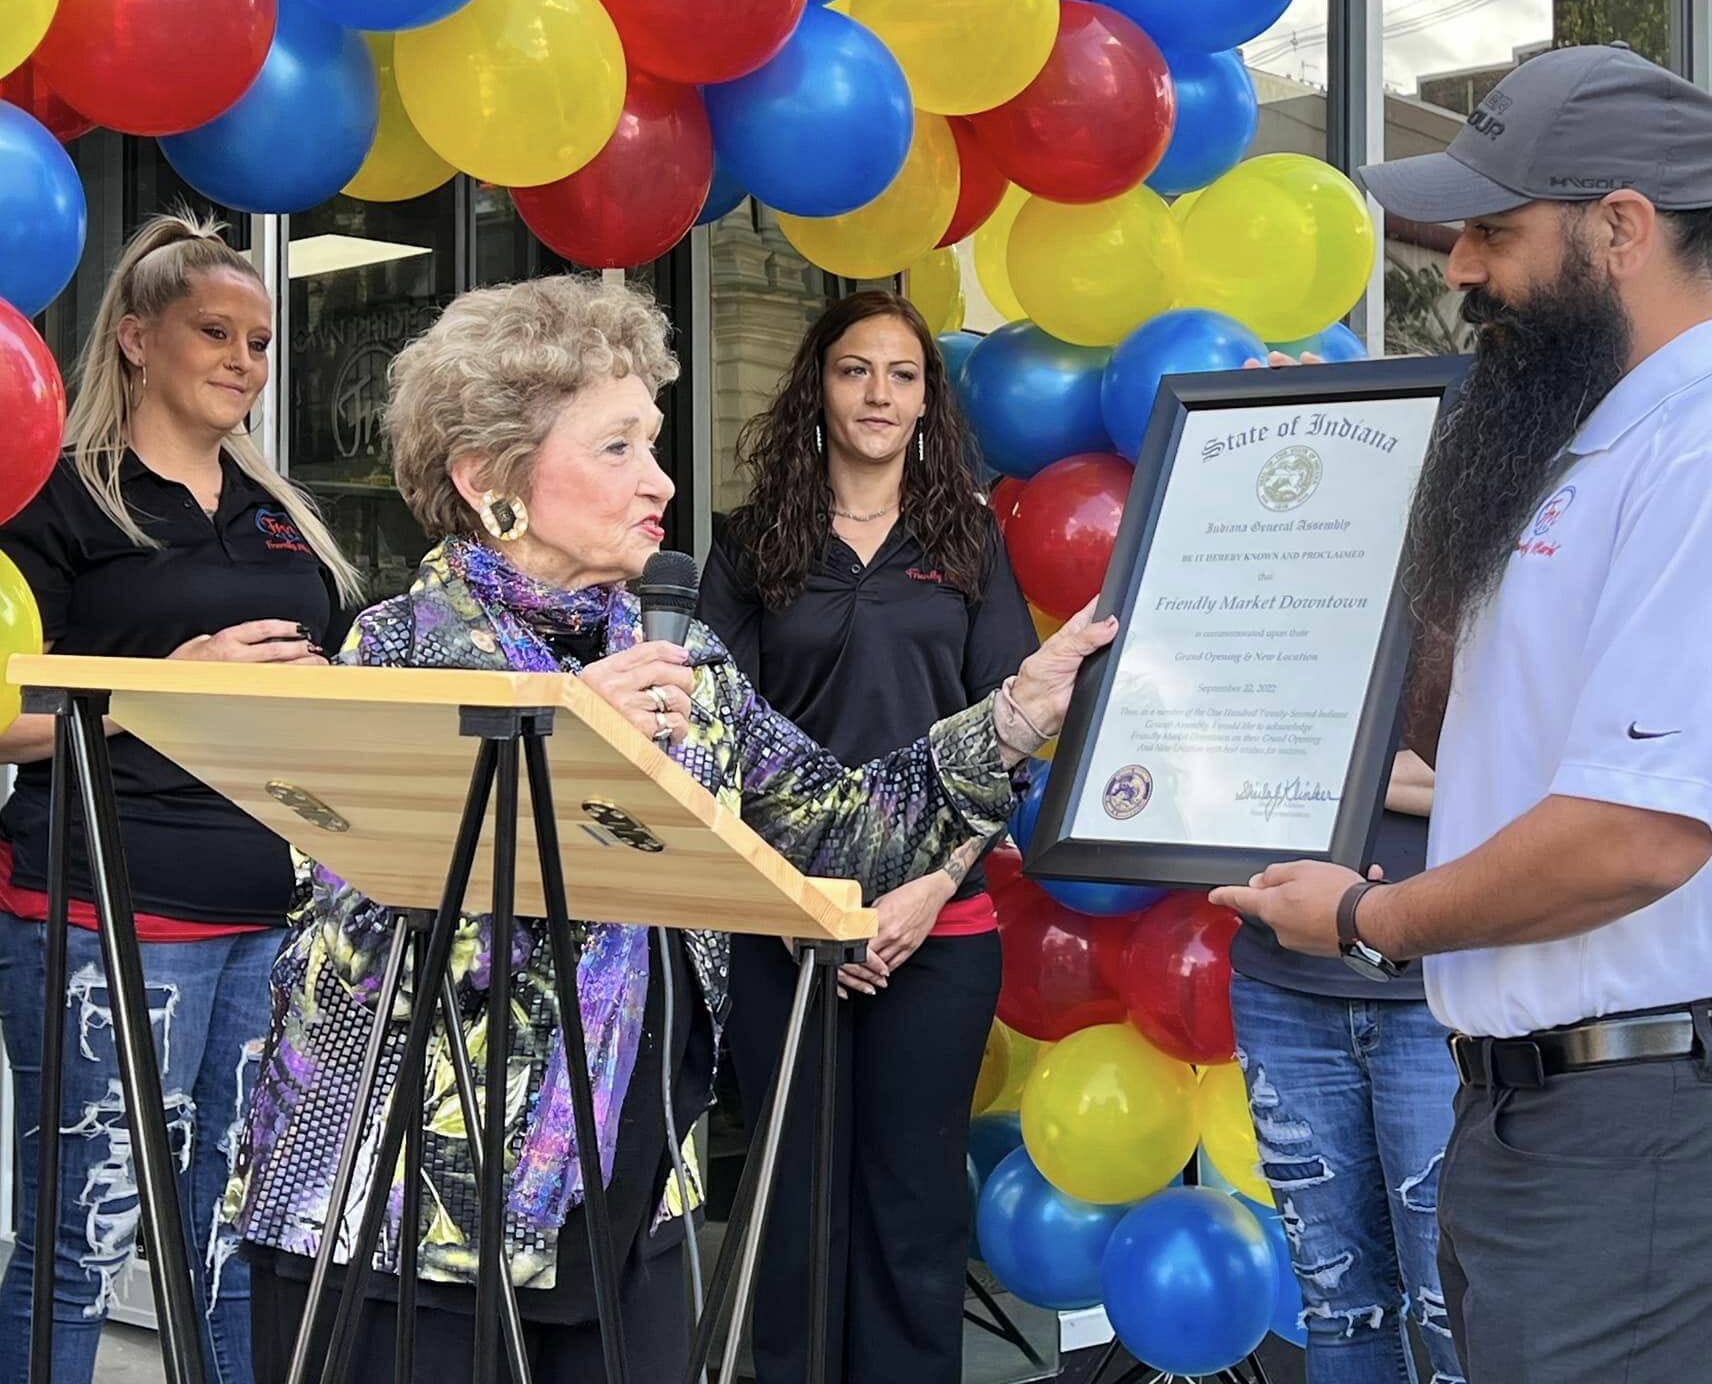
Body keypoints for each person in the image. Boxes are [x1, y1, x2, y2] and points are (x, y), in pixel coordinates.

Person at [228, 275, 1112, 1380]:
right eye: (617, 448)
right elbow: (360, 947)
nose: (661, 480)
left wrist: (1019, 712)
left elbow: (844, 830)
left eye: (653, 442)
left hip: (627, 1203)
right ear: (489, 479)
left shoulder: (682, 662)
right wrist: (555, 746)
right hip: (412, 1224)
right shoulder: (395, 652)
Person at [1214, 42, 1712, 1383]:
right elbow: (1478, 742)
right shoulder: (1595, 449)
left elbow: (1634, 836)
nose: (1459, 268)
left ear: (1619, 228)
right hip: (1537, 1110)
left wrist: (1368, 922)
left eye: (1493, 232)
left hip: (1645, 1127)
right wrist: (1320, 481)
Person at [0, 211, 359, 1384]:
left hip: (268, 911)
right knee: (82, 1239)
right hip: (107, 910)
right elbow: (3, 718)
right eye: (215, 332)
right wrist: (162, 686)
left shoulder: (280, 515)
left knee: (231, 1240)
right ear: (135, 337)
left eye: (259, 343)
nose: (244, 363)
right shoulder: (59, 501)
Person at [698, 291, 1035, 1384]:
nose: (879, 394)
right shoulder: (750, 543)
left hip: (937, 925)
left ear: (929, 400)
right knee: (791, 1204)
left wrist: (931, 886)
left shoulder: (969, 541)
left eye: (903, 374)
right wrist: (800, 907)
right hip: (781, 926)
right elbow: (712, 734)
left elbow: (1008, 733)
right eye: (856, 370)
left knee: (913, 1210)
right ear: (818, 388)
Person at [1228, 747, 1463, 1384]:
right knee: (1337, 1313)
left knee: (1457, 1314)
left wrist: (1299, 769)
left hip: (1450, 991)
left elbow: (1525, 784)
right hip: (1282, 983)